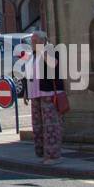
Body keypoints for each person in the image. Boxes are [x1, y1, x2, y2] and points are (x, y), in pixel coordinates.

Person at [27, 30, 66, 164]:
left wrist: (42, 50)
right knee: (38, 126)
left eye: (35, 41)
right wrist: (27, 92)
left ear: (43, 41)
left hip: (49, 94)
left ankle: (54, 156)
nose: (33, 43)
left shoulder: (51, 51)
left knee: (51, 126)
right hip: (35, 95)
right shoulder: (33, 55)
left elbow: (53, 65)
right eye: (32, 41)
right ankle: (43, 154)